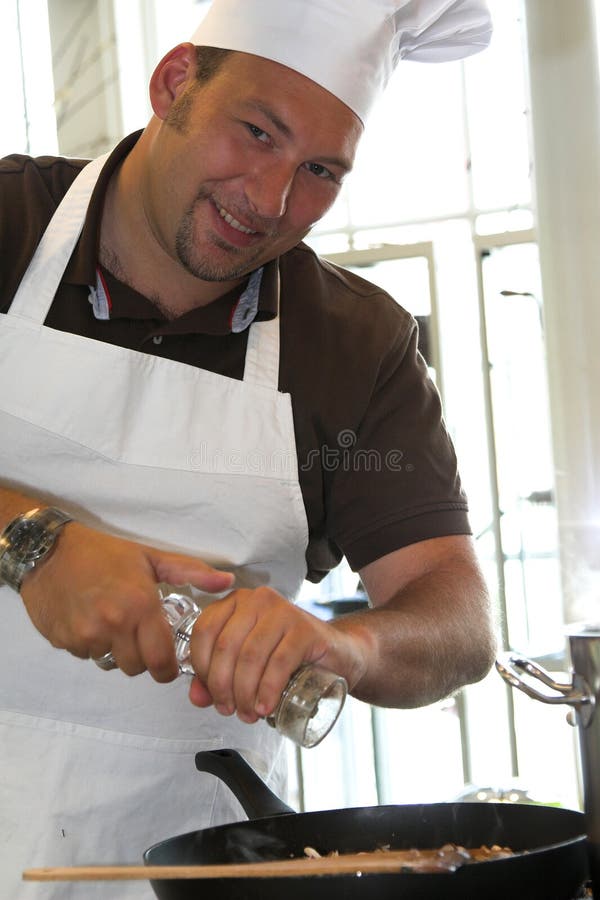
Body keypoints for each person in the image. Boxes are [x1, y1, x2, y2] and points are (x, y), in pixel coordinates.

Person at [0, 0, 495, 896]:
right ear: (174, 83)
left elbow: (456, 623)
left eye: (318, 171)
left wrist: (343, 646)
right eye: (257, 132)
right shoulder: (3, 223)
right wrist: (31, 540)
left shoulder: (353, 345)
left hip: (195, 868)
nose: (269, 202)